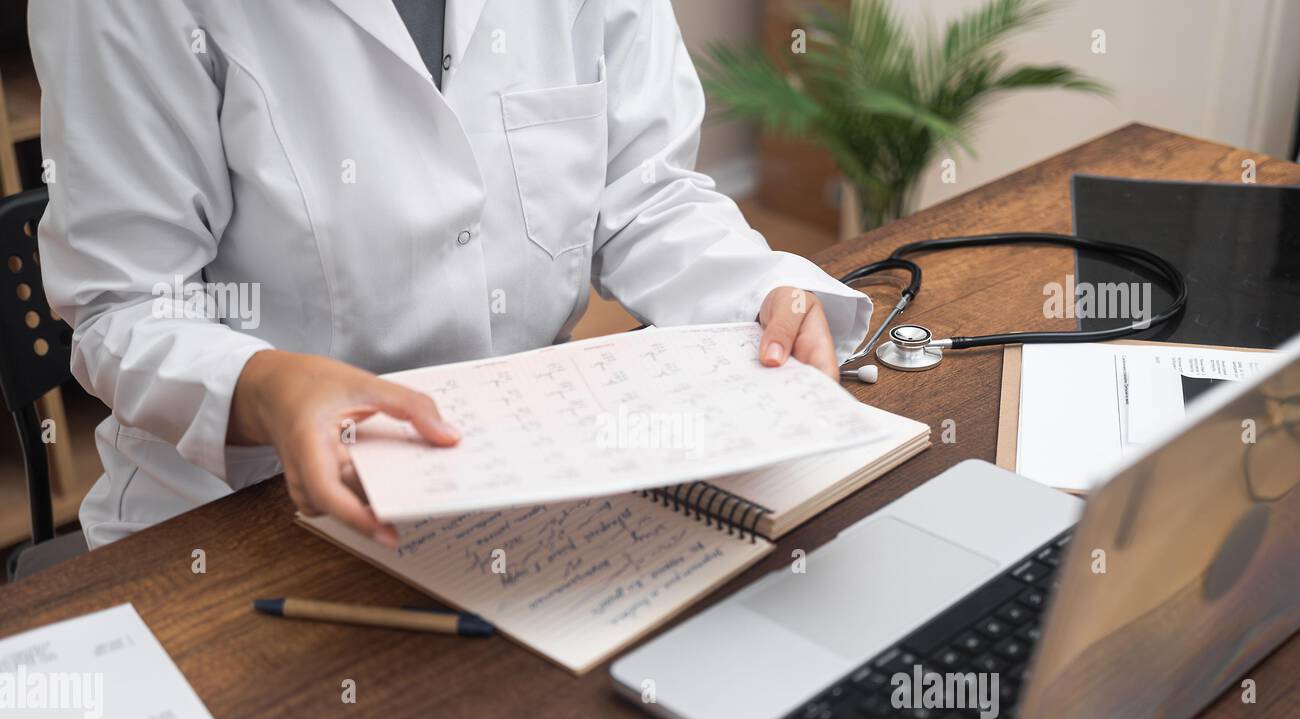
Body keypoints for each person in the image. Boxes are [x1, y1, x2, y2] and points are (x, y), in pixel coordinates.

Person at [31, 0, 871, 549]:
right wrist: (267, 388)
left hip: (527, 486)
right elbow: (126, 303)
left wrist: (760, 292)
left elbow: (641, 194)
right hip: (241, 518)